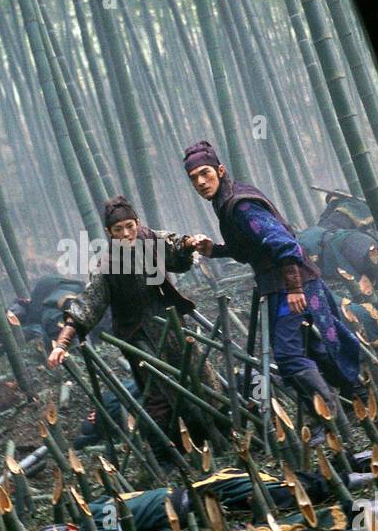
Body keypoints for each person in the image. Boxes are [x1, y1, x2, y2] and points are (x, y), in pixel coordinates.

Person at [183, 142, 361, 441]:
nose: (201, 182)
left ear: (220, 170)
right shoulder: (228, 202)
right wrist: (214, 251)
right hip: (284, 284)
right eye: (194, 178)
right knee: (313, 346)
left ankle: (328, 415)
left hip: (292, 285)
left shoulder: (240, 205)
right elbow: (250, 249)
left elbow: (282, 242)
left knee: (291, 355)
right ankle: (356, 397)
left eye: (205, 173)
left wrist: (293, 287)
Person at [47, 195, 213, 458]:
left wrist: (190, 244)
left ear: (137, 222)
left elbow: (178, 250)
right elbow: (88, 304)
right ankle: (170, 456)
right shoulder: (108, 264)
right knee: (160, 397)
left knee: (199, 379)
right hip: (138, 336)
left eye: (130, 226)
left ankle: (217, 435)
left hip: (171, 324)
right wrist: (62, 342)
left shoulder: (152, 240)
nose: (126, 234)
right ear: (109, 233)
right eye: (118, 229)